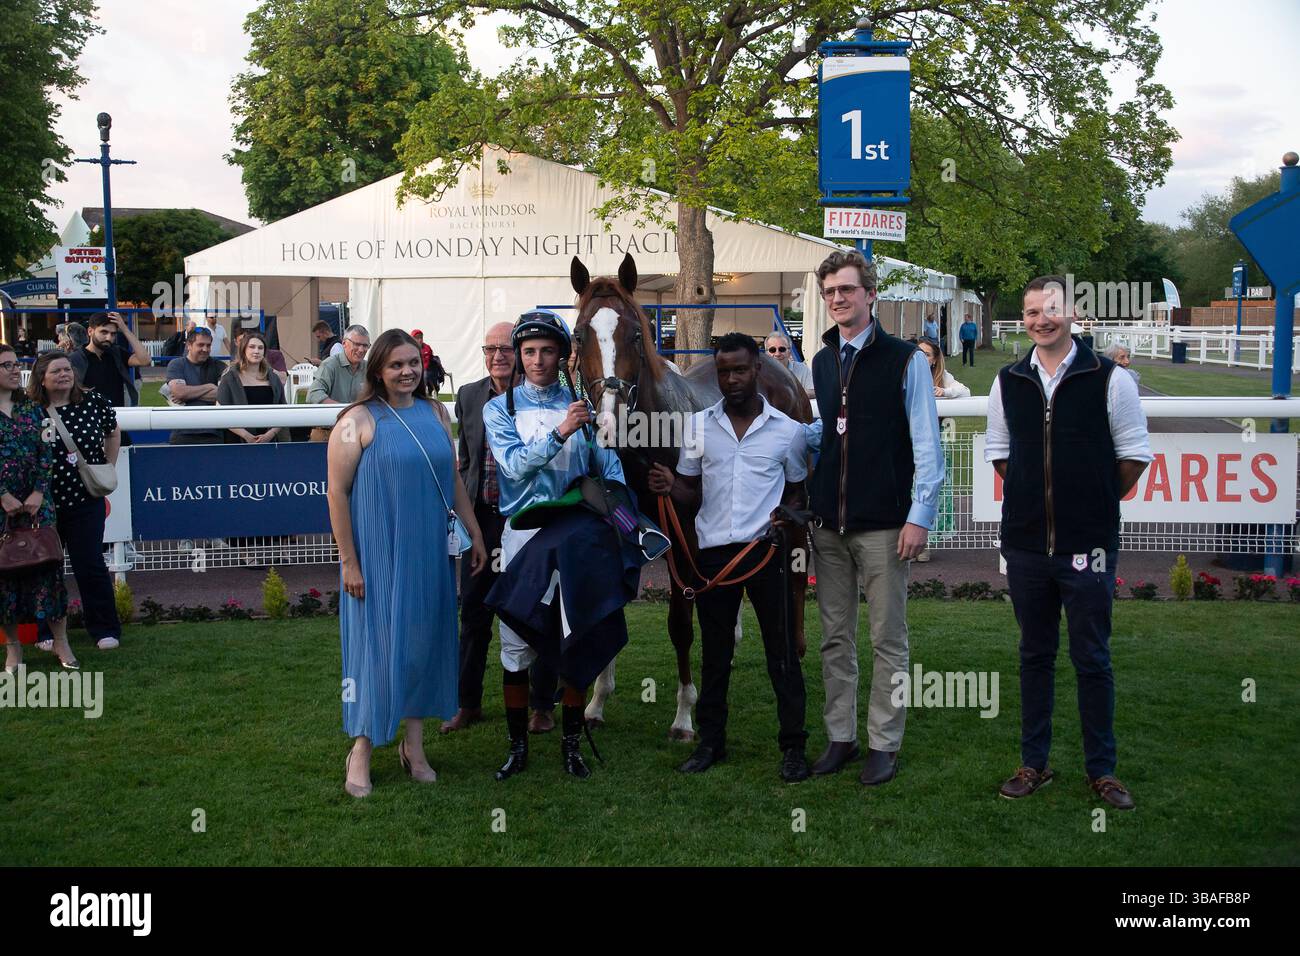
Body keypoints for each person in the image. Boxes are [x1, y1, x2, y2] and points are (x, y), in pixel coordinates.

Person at [987, 276, 1151, 811]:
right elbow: (1002, 457)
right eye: (1031, 311)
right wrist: (1038, 502)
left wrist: (1092, 503)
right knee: (1034, 655)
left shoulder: (1111, 378)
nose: (1040, 320)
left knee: (1092, 658)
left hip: (1089, 546)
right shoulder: (1008, 379)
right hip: (1028, 546)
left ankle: (1102, 771)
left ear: (1073, 312)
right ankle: (1034, 764)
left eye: (1050, 309)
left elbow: (1131, 459)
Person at [802, 249, 944, 786]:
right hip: (828, 526)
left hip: (886, 524)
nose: (838, 298)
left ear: (870, 294)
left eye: (847, 289)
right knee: (834, 637)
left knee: (888, 637)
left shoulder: (905, 360)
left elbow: (927, 446)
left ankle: (885, 742)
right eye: (830, 291)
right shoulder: (821, 359)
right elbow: (828, 435)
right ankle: (841, 735)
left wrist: (919, 516)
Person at [328, 329, 487, 798]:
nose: (407, 372)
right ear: (377, 369)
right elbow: (336, 493)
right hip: (376, 555)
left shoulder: (437, 412)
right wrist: (349, 562)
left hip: (428, 553)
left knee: (422, 642)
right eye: (396, 364)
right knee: (375, 649)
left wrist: (475, 532)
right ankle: (362, 748)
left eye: (413, 363)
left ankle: (413, 747)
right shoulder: (357, 419)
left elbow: (453, 480)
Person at [649, 332, 811, 782]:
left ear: (757, 368)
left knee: (781, 656)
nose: (732, 379)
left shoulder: (789, 432)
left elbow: (797, 488)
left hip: (766, 555)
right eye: (724, 371)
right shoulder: (698, 428)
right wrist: (669, 486)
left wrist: (789, 512)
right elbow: (689, 490)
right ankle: (710, 742)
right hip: (714, 557)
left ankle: (793, 747)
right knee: (715, 656)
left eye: (740, 370)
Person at [482, 309, 625, 780]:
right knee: (516, 644)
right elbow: (516, 465)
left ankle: (570, 748)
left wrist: (620, 510)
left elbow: (608, 463)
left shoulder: (583, 402)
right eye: (529, 352)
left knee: (577, 636)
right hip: (524, 536)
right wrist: (562, 429)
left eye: (547, 351)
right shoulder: (500, 408)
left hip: (577, 539)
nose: (538, 360)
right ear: (518, 356)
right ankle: (517, 748)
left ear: (563, 354)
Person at [441, 321, 558, 735]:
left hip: (531, 522)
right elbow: (467, 461)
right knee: (474, 612)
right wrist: (467, 519)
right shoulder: (470, 396)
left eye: (506, 348)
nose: (497, 356)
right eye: (489, 348)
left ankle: (543, 705)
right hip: (483, 521)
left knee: (538, 610)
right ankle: (467, 703)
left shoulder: (543, 396)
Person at [29, 350, 123, 651]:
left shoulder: (94, 402)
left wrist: (107, 466)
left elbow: (113, 432)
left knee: (90, 564)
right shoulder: (31, 410)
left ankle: (105, 628)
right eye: (56, 371)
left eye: (67, 369)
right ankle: (45, 631)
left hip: (84, 500)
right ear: (42, 378)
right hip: (43, 503)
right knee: (46, 567)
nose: (64, 374)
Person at [0, 345, 76, 673]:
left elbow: (47, 450)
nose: (15, 370)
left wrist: (38, 492)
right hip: (2, 509)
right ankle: (14, 649)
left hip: (37, 507)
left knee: (48, 571)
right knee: (4, 578)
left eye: (16, 364)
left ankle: (61, 642)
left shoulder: (33, 408)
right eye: (6, 366)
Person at [915, 339, 969, 563]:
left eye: (927, 354)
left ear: (935, 358)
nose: (923, 358)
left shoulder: (943, 377)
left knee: (932, 490)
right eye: (919, 353)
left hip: (936, 441)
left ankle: (924, 542)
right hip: (908, 441)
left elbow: (964, 391)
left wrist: (944, 392)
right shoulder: (907, 373)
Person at [69, 311, 150, 412]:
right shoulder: (76, 358)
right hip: (89, 416)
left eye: (113, 334)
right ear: (90, 331)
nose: (109, 338)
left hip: (116, 414)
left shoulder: (117, 353)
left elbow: (145, 360)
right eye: (104, 332)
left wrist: (125, 329)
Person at [216, 330, 287, 444]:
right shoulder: (229, 378)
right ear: (243, 350)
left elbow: (283, 411)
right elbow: (220, 413)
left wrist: (270, 434)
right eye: (252, 347)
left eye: (260, 348)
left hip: (269, 442)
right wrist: (246, 435)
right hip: (237, 442)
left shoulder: (273, 378)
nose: (256, 351)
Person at [164, 326, 228, 445]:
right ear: (189, 345)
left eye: (208, 345)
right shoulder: (177, 365)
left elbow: (224, 396)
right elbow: (180, 392)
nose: (205, 349)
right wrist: (209, 386)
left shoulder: (219, 366)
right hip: (182, 432)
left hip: (213, 433)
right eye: (200, 345)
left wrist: (188, 395)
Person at [307, 325, 370, 441]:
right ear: (344, 343)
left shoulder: (369, 368)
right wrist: (345, 410)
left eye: (365, 345)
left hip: (357, 431)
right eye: (357, 344)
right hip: (328, 432)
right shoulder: (330, 365)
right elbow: (313, 394)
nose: (361, 350)